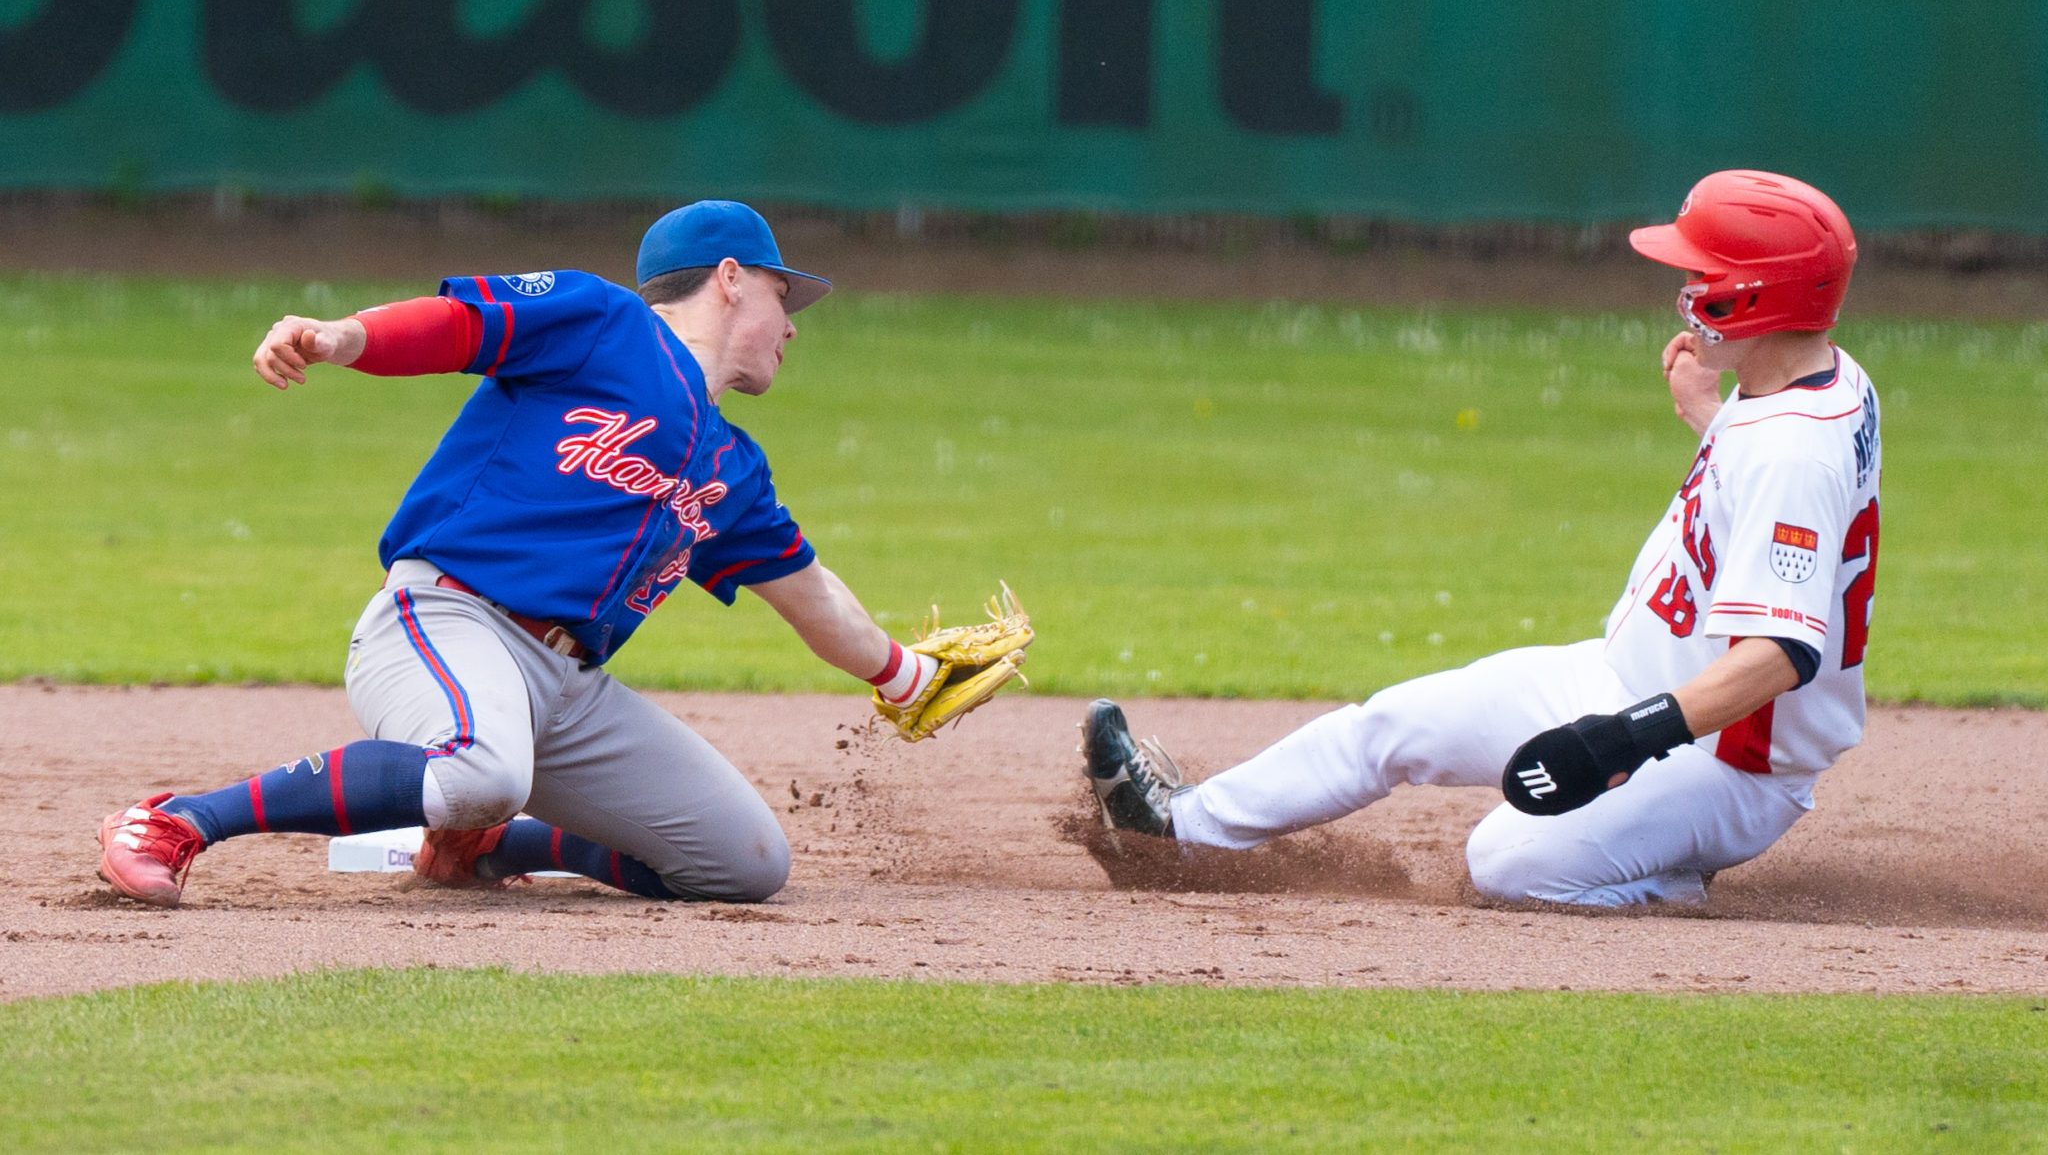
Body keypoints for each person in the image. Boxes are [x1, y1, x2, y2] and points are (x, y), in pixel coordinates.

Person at [97, 201, 956, 907]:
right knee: (481, 764)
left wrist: (905, 674)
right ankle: (178, 820)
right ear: (730, 278)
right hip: (444, 618)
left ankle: (486, 843)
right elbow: (460, 325)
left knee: (745, 865)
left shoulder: (734, 466)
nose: (792, 328)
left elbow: (811, 595)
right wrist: (343, 337)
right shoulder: (606, 322)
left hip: (568, 693)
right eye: (782, 295)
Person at [1082, 170, 1882, 907]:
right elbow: (1774, 492)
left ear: (1756, 296)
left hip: (1722, 759)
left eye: (1703, 276)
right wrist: (1709, 417)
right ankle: (1175, 832)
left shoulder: (1790, 449)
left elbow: (1780, 653)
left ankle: (1670, 878)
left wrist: (1622, 739)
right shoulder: (1812, 377)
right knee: (1389, 727)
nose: (1687, 289)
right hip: (1625, 677)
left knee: (1506, 864)